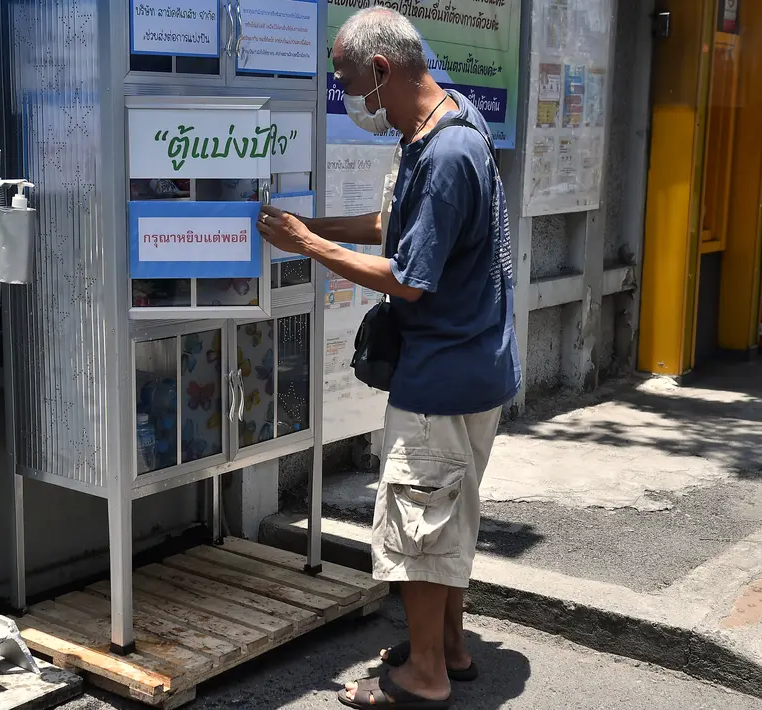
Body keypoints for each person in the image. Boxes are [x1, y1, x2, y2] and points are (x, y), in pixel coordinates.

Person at [257, 8, 521, 708]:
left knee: (416, 527)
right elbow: (395, 224)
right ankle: (452, 650)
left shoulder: (441, 154)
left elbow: (408, 276)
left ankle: (424, 675)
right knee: (447, 515)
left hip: (440, 376)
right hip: (478, 365)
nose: (345, 96)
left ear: (380, 71)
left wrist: (308, 249)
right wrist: (313, 225)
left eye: (344, 80)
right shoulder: (450, 118)